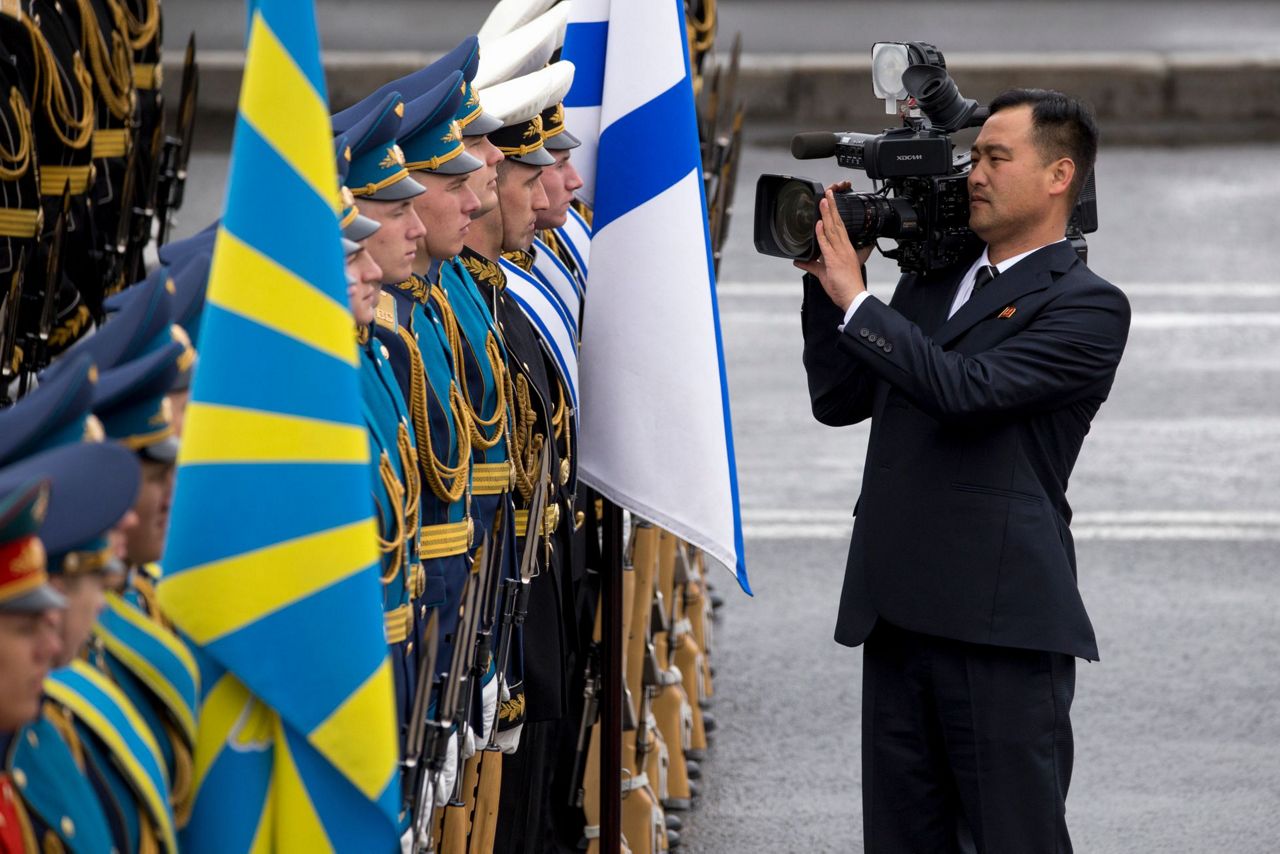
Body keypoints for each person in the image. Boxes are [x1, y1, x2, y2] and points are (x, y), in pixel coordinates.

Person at [797, 88, 1131, 853]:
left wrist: (859, 302)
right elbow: (841, 398)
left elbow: (966, 393)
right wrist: (825, 288)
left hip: (997, 628)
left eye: (996, 157)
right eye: (973, 156)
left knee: (1014, 839)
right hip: (897, 613)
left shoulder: (1087, 306)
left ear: (1058, 176)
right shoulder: (930, 281)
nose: (973, 172)